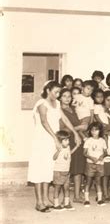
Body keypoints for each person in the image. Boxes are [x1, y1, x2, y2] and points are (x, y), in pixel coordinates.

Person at [28, 81, 81, 212]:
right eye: (56, 92)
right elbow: (44, 122)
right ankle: (39, 202)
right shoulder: (41, 104)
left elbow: (65, 119)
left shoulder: (57, 104)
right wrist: (55, 139)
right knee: (39, 170)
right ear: (48, 90)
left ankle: (46, 199)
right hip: (42, 140)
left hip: (52, 140)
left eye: (59, 92)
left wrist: (75, 133)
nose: (58, 95)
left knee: (48, 168)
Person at [58, 88, 86, 203]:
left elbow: (80, 126)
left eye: (69, 96)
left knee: (78, 169)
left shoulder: (73, 109)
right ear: (59, 97)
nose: (67, 98)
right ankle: (65, 197)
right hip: (67, 141)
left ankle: (77, 196)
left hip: (78, 140)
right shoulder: (59, 110)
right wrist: (79, 128)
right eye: (64, 96)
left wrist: (83, 136)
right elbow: (62, 129)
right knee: (66, 170)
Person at [52, 130, 78, 211]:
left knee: (67, 188)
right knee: (57, 188)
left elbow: (69, 153)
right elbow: (54, 158)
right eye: (66, 140)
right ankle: (56, 205)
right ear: (60, 141)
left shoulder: (68, 147)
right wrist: (58, 151)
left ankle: (66, 204)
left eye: (68, 140)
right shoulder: (57, 147)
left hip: (66, 172)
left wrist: (76, 147)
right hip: (58, 172)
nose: (68, 142)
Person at [83, 122, 108, 207]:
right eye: (92, 130)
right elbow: (84, 153)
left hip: (100, 164)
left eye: (96, 130)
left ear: (100, 131)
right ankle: (86, 200)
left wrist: (102, 156)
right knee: (88, 182)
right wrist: (91, 157)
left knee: (98, 182)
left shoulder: (102, 141)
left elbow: (105, 152)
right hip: (90, 164)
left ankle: (100, 199)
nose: (94, 132)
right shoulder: (88, 140)